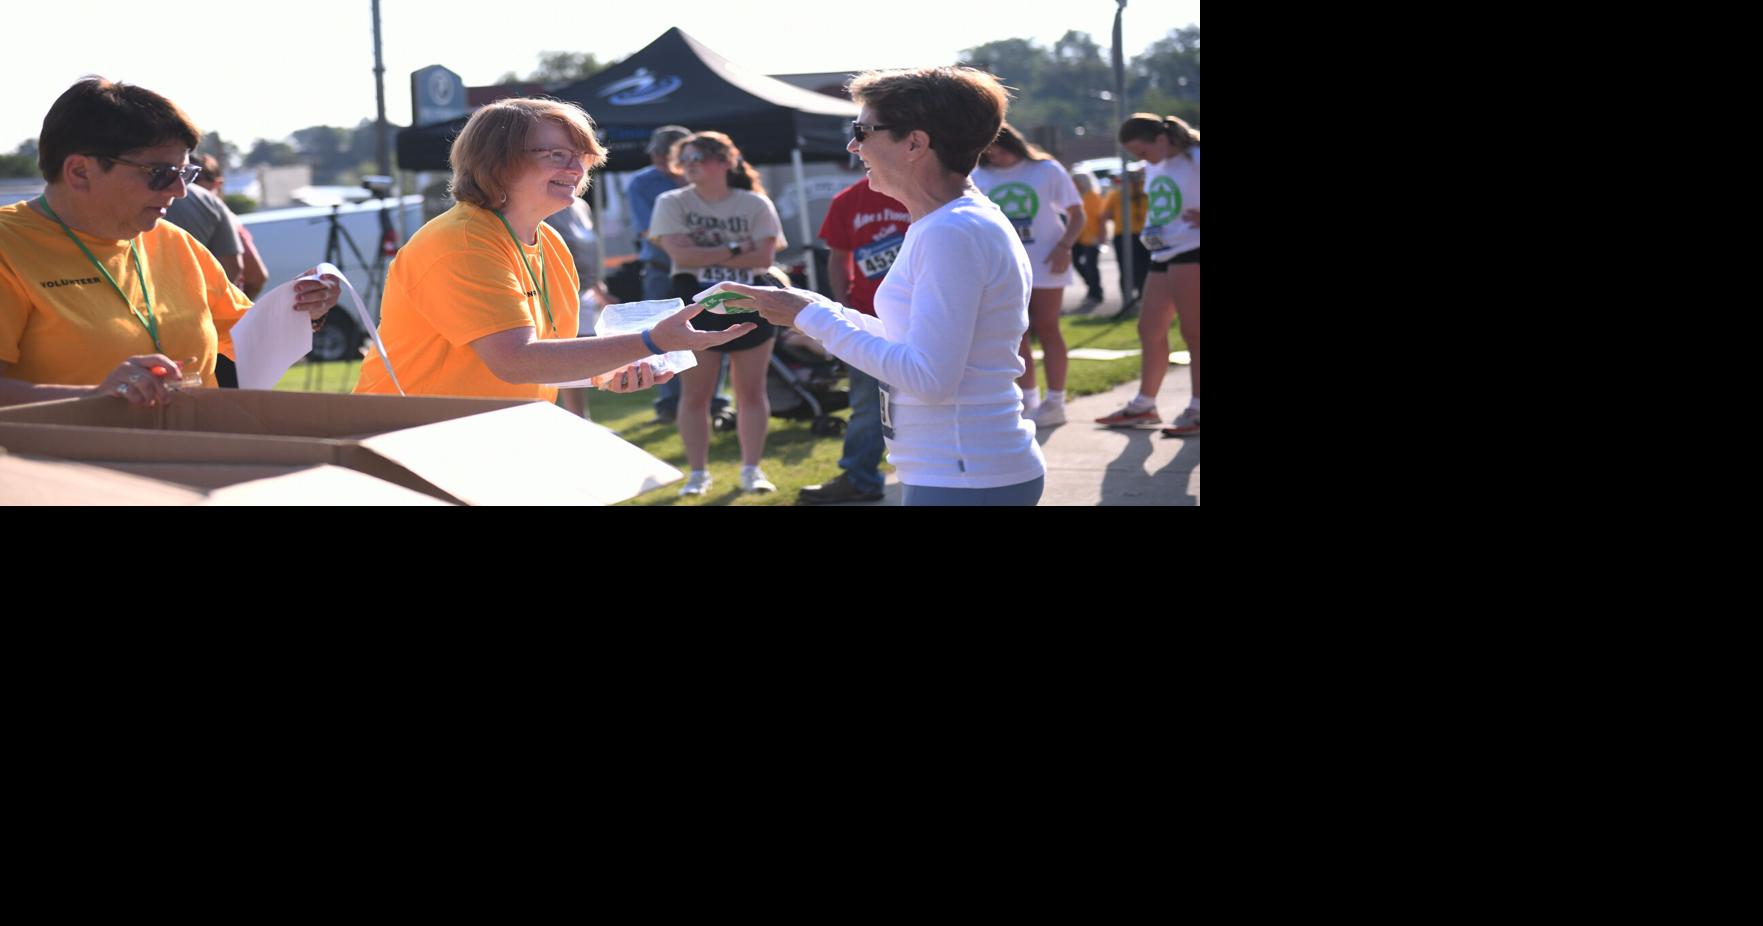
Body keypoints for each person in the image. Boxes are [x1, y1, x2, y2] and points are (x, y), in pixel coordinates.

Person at [700, 66, 1044, 506]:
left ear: (915, 143)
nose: (852, 144)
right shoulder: (948, 221)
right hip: (960, 469)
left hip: (965, 475)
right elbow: (910, 340)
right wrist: (811, 307)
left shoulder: (951, 231)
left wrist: (810, 317)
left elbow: (929, 378)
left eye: (862, 130)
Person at [352, 98, 752, 403]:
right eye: (557, 156)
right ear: (498, 162)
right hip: (411, 438)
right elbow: (515, 360)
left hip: (487, 439)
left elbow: (546, 353)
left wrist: (610, 370)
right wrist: (649, 341)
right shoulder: (463, 243)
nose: (576, 171)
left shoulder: (550, 241)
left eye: (582, 158)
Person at [1, 77, 338, 408]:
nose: (179, 191)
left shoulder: (175, 242)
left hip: (193, 454)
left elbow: (252, 342)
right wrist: (92, 398)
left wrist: (304, 309)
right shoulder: (9, 245)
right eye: (160, 173)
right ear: (79, 172)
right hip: (62, 462)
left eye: (185, 173)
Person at [649, 131, 785, 496]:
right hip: (695, 303)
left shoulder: (755, 204)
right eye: (686, 159)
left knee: (751, 392)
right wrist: (739, 247)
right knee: (695, 395)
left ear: (725, 161)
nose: (690, 166)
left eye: (699, 159)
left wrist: (709, 252)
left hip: (751, 301)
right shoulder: (671, 201)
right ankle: (697, 474)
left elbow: (763, 259)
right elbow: (682, 257)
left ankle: (752, 470)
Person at [797, 174, 910, 504]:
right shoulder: (847, 200)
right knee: (867, 404)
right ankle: (861, 478)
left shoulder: (919, 192)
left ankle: (951, 470)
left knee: (937, 396)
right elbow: (838, 256)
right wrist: (843, 306)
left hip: (920, 315)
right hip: (866, 316)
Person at [971, 122, 1084, 428]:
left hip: (1048, 261)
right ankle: (1028, 400)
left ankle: (1056, 402)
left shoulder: (1046, 170)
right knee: (1016, 335)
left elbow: (1078, 214)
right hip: (1005, 267)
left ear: (1015, 143)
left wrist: (1064, 247)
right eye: (989, 151)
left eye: (1001, 149)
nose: (997, 156)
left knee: (1048, 328)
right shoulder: (978, 176)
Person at [1094, 113, 1200, 437]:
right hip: (1162, 251)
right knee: (1149, 328)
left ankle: (1197, 407)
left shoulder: (1194, 157)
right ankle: (1145, 404)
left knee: (1194, 331)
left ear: (1161, 139)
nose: (1140, 159)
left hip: (1193, 249)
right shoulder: (1154, 165)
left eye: (1141, 151)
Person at [193, 154, 267, 299]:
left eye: (194, 178)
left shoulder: (226, 218)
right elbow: (256, 277)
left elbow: (255, 275)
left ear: (217, 184)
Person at [1100, 167, 1150, 313]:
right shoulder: (1117, 194)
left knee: (1143, 268)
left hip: (1141, 235)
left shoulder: (1143, 192)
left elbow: (1105, 216)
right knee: (1128, 268)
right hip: (1125, 236)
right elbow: (1105, 215)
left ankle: (1141, 299)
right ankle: (1130, 300)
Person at [1071, 171, 1108, 311]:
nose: (1074, 185)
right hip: (1079, 237)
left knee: (1091, 265)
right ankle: (1091, 285)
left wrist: (1102, 236)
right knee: (1076, 262)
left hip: (1092, 237)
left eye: (1076, 182)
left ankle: (1096, 292)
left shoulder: (1093, 197)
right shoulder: (1077, 197)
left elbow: (1101, 218)